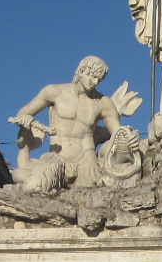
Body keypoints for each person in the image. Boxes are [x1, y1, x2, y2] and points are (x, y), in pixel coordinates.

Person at [9, 56, 125, 189]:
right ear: (82, 71)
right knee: (33, 186)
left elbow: (118, 134)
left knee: (98, 197)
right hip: (58, 158)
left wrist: (127, 137)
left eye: (99, 79)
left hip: (87, 162)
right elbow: (24, 111)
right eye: (92, 76)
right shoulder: (55, 92)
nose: (95, 82)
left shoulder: (103, 103)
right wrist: (24, 119)